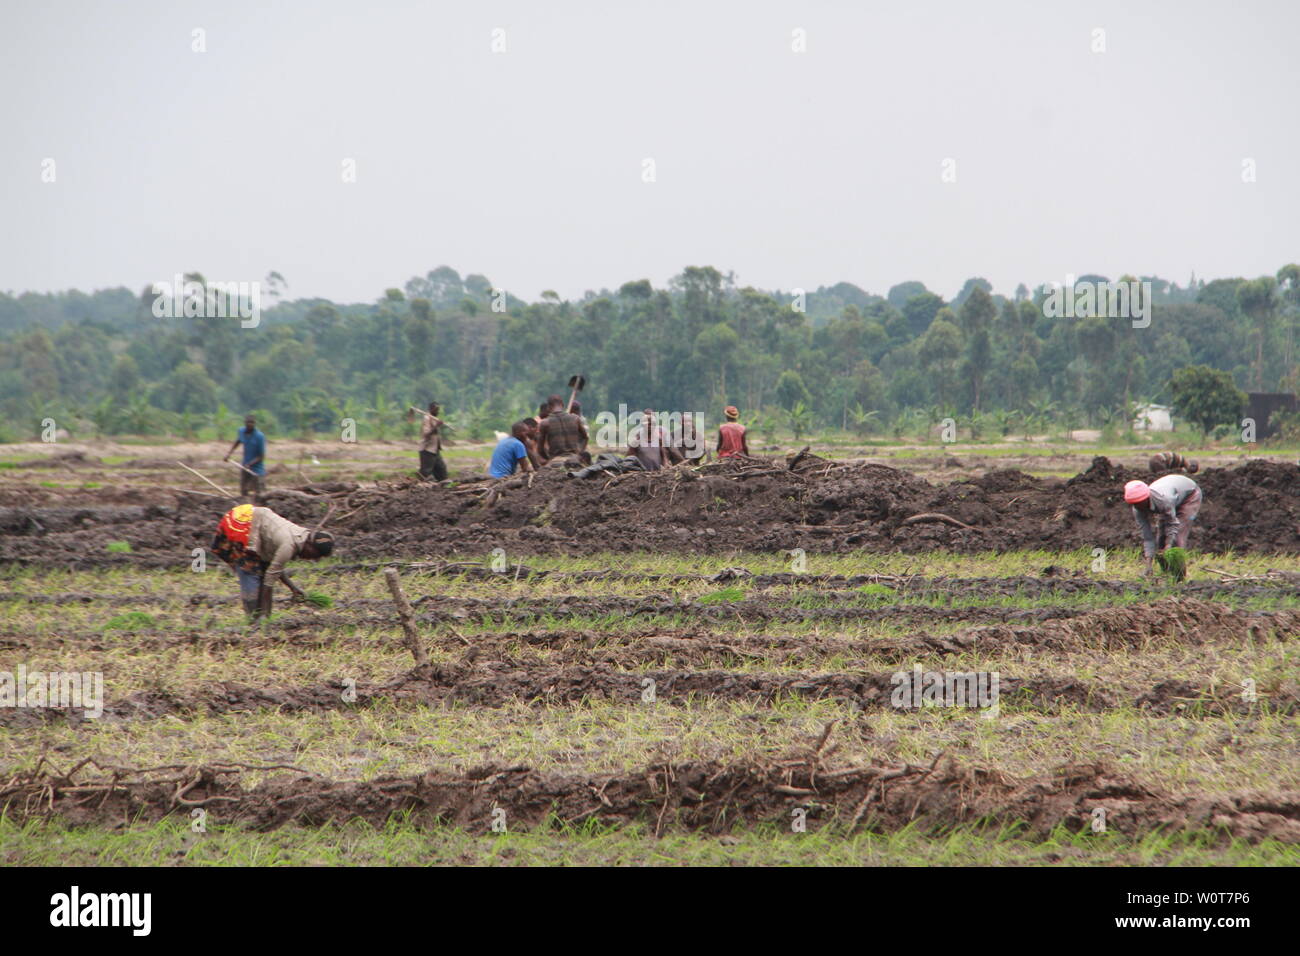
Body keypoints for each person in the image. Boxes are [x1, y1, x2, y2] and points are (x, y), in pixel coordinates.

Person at [210, 504, 335, 619]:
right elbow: (269, 582)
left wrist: (293, 588)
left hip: (253, 518)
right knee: (251, 571)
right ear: (310, 546)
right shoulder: (288, 545)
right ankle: (254, 621)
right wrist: (267, 615)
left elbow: (275, 567)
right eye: (316, 555)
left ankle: (257, 618)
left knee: (262, 568)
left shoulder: (300, 535)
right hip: (243, 523)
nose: (314, 559)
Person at [1124, 475, 1203, 575]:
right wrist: (1148, 565)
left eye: (1140, 503)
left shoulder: (1164, 500)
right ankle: (1165, 573)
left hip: (1190, 496)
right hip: (1171, 497)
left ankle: (1179, 576)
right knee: (1161, 538)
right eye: (1134, 504)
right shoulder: (1137, 509)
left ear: (1147, 498)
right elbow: (1147, 537)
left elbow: (1172, 524)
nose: (1138, 507)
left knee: (1177, 537)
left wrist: (1168, 546)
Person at [224, 415, 267, 501]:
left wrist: (250, 464)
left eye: (252, 423)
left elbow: (261, 456)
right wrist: (229, 453)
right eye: (248, 422)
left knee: (259, 493)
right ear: (245, 423)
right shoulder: (241, 431)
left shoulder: (259, 436)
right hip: (245, 466)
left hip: (257, 470)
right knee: (243, 491)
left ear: (255, 424)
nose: (250, 424)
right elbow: (238, 441)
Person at [539, 397, 589, 464]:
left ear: (548, 407)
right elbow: (585, 437)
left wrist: (549, 459)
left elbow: (540, 449)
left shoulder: (544, 423)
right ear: (562, 405)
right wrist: (579, 453)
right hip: (574, 458)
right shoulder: (575, 418)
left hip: (555, 460)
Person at [418, 402, 448, 481]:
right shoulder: (427, 419)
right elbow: (426, 434)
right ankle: (422, 488)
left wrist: (437, 425)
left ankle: (442, 486)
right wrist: (436, 426)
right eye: (436, 410)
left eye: (438, 410)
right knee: (426, 472)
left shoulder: (434, 419)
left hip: (435, 450)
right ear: (431, 409)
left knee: (442, 470)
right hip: (427, 450)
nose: (437, 412)